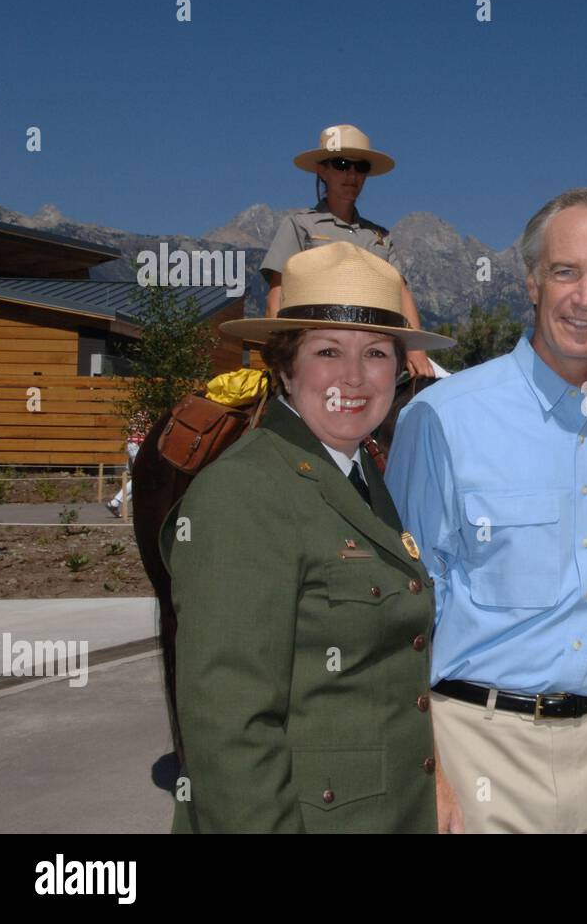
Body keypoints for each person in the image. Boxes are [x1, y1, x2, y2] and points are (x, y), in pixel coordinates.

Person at [385, 188, 587, 833]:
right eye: (565, 271)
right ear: (532, 283)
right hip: (477, 749)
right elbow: (402, 614)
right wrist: (423, 770)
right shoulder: (441, 420)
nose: (585, 297)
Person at [164, 241, 455, 833]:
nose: (353, 377)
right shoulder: (242, 494)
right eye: (328, 351)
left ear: (398, 369)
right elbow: (229, 733)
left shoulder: (358, 472)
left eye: (375, 353)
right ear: (285, 367)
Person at [261, 123, 436, 379]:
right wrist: (281, 358)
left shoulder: (380, 236)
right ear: (322, 170)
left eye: (360, 167)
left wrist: (417, 349)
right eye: (342, 164)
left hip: (376, 349)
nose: (352, 175)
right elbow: (277, 293)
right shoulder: (299, 225)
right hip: (316, 348)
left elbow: (401, 291)